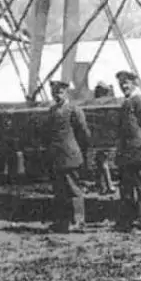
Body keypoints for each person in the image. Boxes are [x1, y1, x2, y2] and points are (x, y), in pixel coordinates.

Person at [113, 71, 141, 233]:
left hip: (139, 152)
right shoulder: (128, 102)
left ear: (134, 83)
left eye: (126, 83)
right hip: (127, 153)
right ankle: (128, 221)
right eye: (121, 83)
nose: (123, 86)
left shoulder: (139, 101)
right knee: (126, 189)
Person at [42, 79, 90, 233]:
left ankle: (79, 221)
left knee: (73, 189)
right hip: (56, 157)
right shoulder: (51, 111)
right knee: (59, 191)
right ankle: (62, 222)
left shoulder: (74, 110)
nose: (57, 94)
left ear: (66, 92)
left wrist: (78, 151)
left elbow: (84, 133)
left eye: (60, 92)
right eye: (54, 92)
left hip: (70, 156)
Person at [88, 81, 117, 196]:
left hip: (102, 137)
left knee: (102, 161)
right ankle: (103, 185)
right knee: (101, 161)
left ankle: (108, 185)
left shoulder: (101, 105)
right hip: (105, 137)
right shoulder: (108, 104)